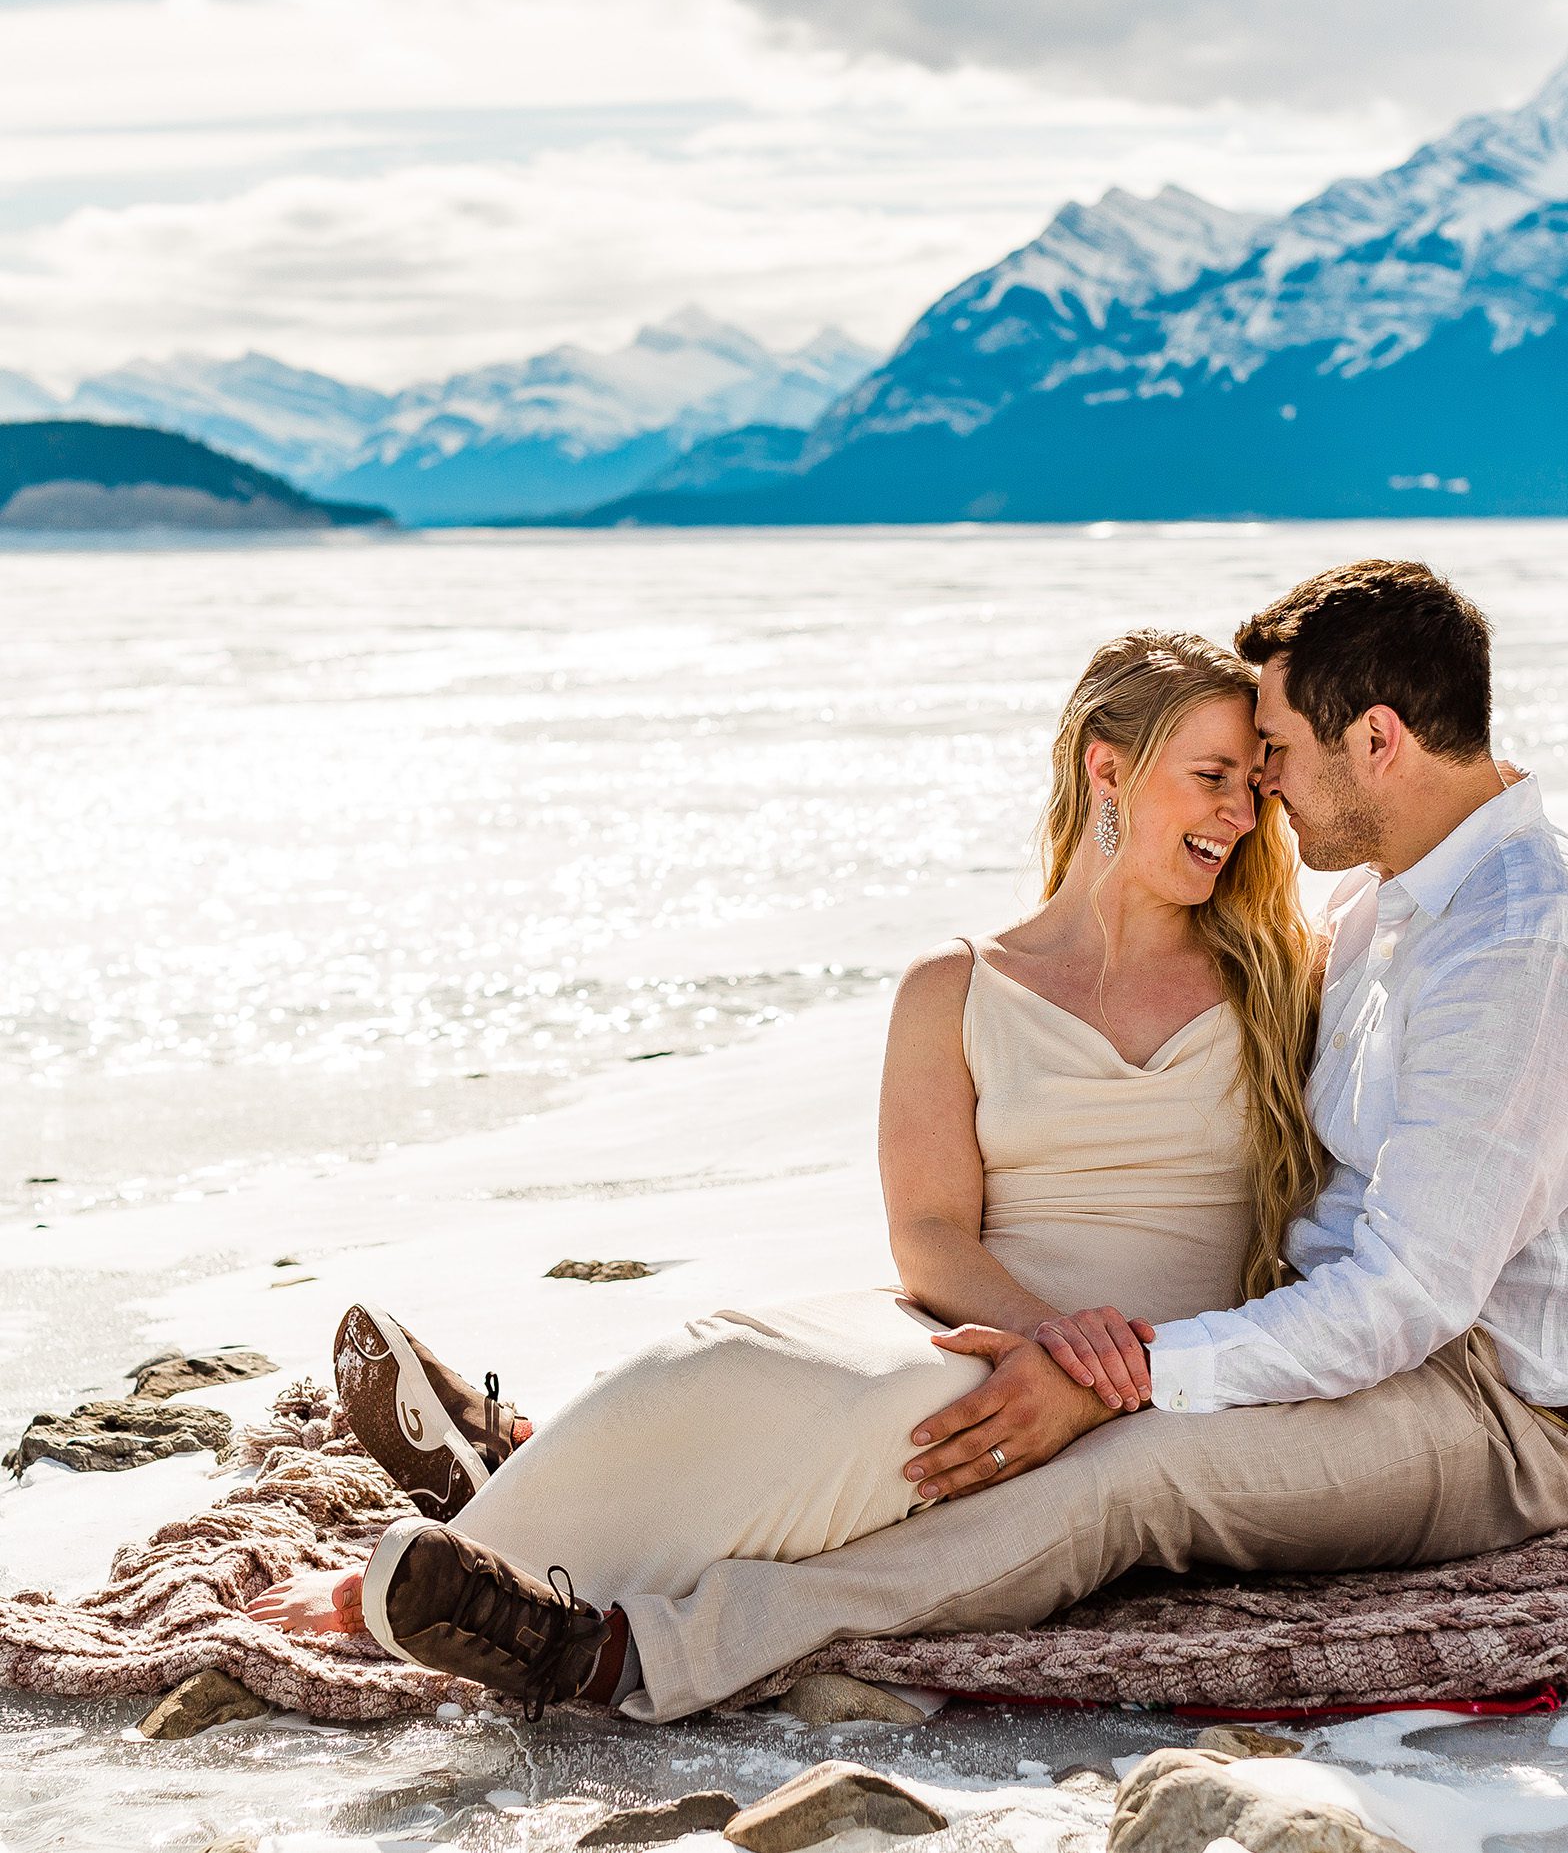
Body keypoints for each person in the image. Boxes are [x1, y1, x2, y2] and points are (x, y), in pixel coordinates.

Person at [261, 559, 1568, 1726]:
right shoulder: (1394, 914)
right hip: (1332, 1347)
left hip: (1501, 1415)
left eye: (1273, 754)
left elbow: (1408, 1297)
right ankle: (521, 1488)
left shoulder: (1528, 953)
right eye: (1233, 760)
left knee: (1114, 1474)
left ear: (1374, 738)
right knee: (786, 1368)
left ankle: (631, 1651)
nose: (1263, 792)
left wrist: (1123, 1374)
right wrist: (1095, 1345)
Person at [251, 626, 1324, 1714]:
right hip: (980, 1323)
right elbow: (931, 1233)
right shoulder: (954, 984)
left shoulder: (1288, 977)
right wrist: (1050, 1336)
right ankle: (491, 1524)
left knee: (897, 1427)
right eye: (1211, 778)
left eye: (1253, 785)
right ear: (1106, 767)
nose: (1240, 813)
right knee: (730, 1360)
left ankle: (477, 1547)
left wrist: (1106, 1369)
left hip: (1179, 1367)